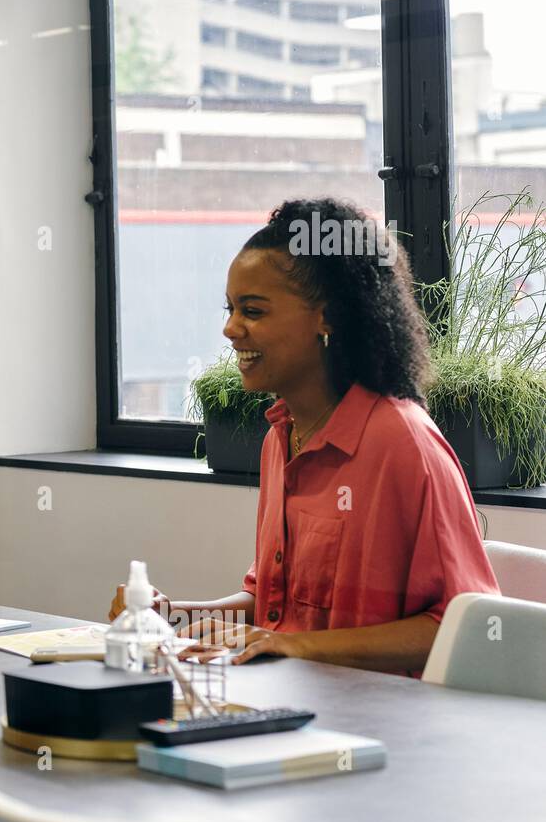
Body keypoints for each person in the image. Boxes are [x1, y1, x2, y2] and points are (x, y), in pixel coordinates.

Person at [110, 198, 499, 676]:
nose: (231, 329)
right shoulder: (281, 436)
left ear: (327, 318)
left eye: (252, 310)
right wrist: (169, 617)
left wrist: (298, 647)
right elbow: (271, 605)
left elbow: (465, 626)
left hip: (387, 730)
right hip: (296, 707)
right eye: (230, 309)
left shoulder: (402, 443)